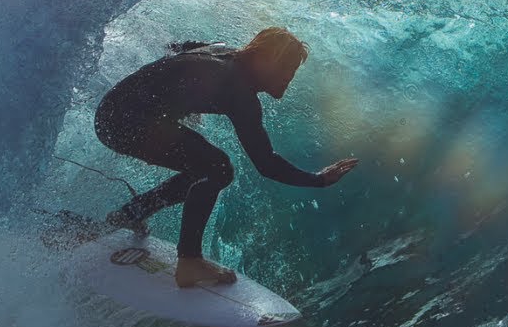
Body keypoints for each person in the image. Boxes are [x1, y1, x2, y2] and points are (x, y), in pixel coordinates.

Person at [94, 27, 358, 288]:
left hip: (113, 109)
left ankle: (130, 214)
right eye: (285, 69)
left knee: (205, 168)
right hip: (123, 123)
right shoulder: (240, 93)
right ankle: (189, 262)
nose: (289, 78)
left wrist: (179, 95)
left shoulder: (221, 50)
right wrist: (319, 180)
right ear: (264, 61)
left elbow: (178, 48)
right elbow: (266, 164)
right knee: (217, 168)